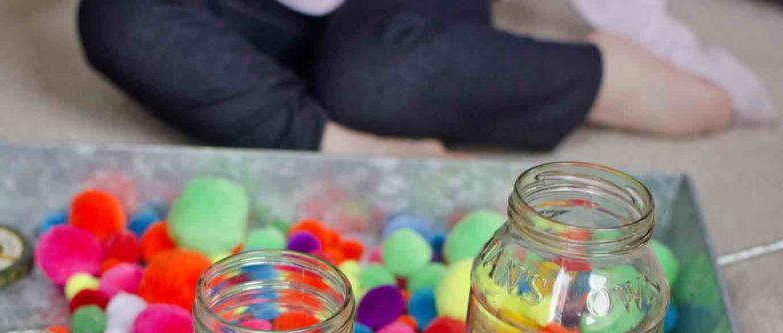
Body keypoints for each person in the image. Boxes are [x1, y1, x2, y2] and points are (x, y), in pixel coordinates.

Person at [76, 0, 733, 156]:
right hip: (256, 18)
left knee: (377, 76)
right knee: (117, 15)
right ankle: (338, 142)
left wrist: (672, 48)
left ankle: (597, 75)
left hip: (400, 17)